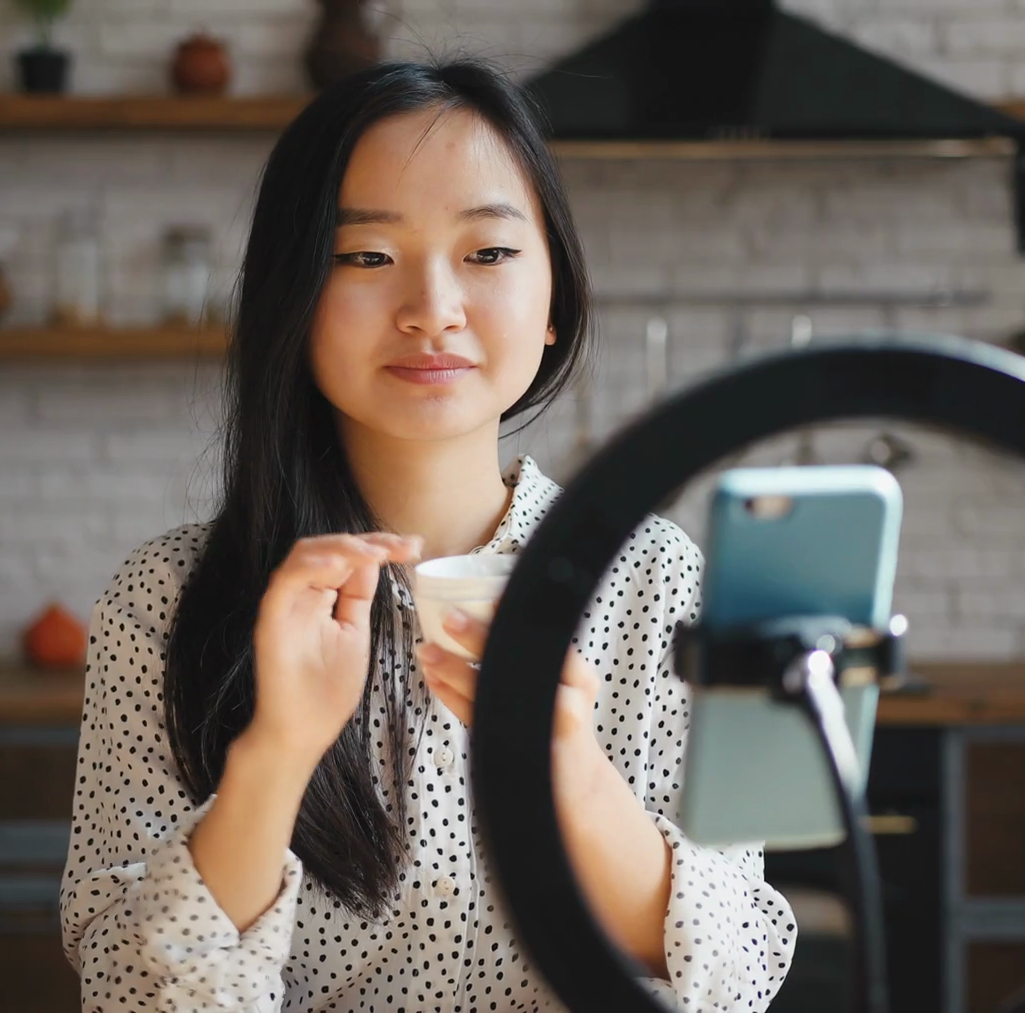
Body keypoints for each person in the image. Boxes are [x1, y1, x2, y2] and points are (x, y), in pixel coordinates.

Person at [59, 60, 797, 1012]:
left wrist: (568, 771)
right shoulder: (168, 599)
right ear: (294, 298)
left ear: (554, 303)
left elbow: (731, 980)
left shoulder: (651, 579)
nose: (434, 308)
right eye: (366, 257)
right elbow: (132, 992)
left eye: (487, 255)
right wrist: (277, 753)